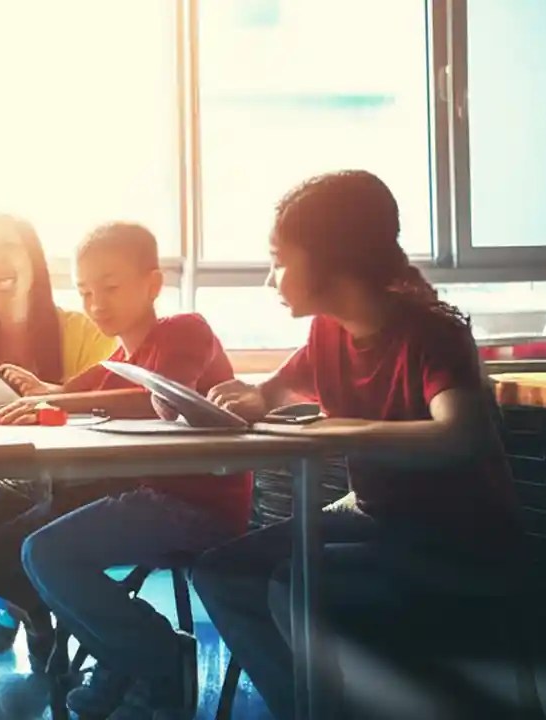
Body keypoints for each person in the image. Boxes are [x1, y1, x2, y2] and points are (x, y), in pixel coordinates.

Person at [192, 170, 522, 720]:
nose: (271, 280)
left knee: (295, 587)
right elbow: (268, 393)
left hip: (459, 543)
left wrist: (345, 431)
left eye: (279, 260)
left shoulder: (431, 333)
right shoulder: (328, 332)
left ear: (329, 259)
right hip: (377, 522)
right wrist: (235, 400)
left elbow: (461, 435)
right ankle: (306, 707)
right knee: (220, 572)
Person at [15, 224, 249, 719]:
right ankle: (128, 657)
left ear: (153, 284)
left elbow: (158, 396)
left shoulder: (186, 330)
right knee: (41, 551)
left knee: (47, 552)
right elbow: (64, 393)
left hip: (201, 506)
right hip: (157, 499)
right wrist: (39, 392)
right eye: (84, 291)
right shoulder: (121, 357)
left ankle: (156, 657)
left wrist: (51, 399)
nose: (96, 302)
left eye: (110, 286)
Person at [0, 213, 116, 652]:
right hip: (10, 482)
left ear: (34, 260)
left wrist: (49, 397)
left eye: (7, 247)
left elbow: (112, 402)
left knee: (19, 544)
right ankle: (35, 614)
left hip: (81, 481)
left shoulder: (80, 329)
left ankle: (32, 615)